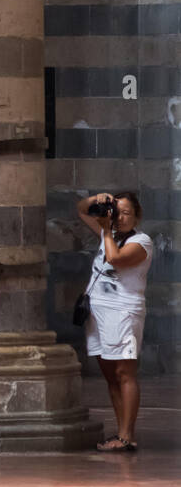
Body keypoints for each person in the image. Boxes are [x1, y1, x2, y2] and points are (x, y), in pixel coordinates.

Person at [76, 191, 152, 453]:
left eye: (126, 213)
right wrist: (96, 199)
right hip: (99, 314)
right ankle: (121, 433)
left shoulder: (142, 242)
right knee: (110, 376)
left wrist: (106, 231)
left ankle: (127, 436)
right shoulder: (107, 232)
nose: (120, 218)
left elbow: (115, 259)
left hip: (123, 314)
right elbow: (81, 209)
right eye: (116, 212)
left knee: (124, 373)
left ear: (137, 216)